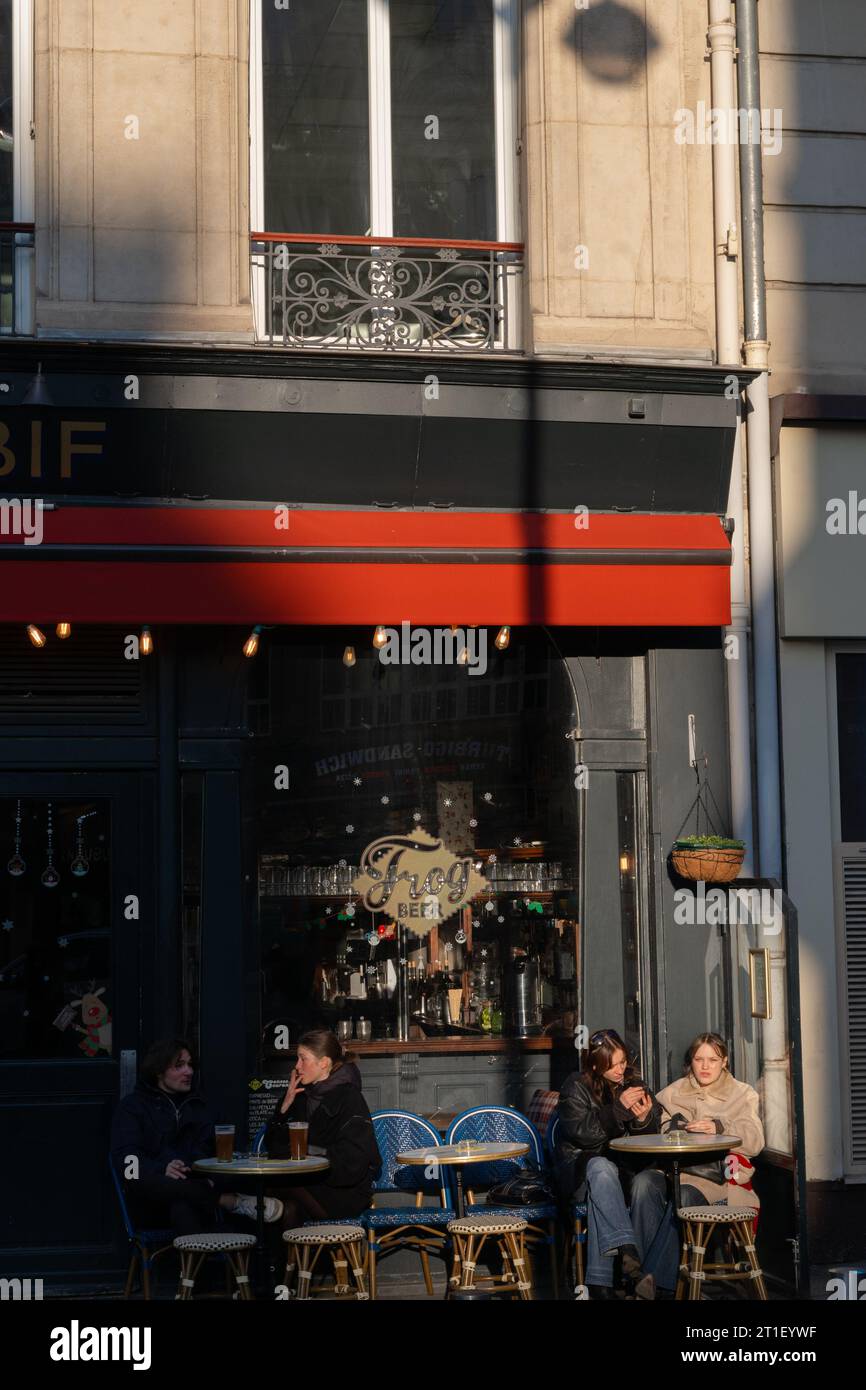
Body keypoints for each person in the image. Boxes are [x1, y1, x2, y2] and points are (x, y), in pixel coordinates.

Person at [629, 1032, 765, 1296]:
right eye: (698, 1059)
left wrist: (719, 1127)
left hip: (717, 1179)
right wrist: (666, 1125)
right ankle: (648, 1280)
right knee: (643, 1184)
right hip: (673, 1170)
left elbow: (756, 1141)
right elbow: (658, 1128)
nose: (705, 1066)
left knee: (687, 1196)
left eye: (712, 1060)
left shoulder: (742, 1094)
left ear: (724, 1061)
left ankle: (654, 1283)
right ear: (690, 1061)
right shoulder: (673, 1092)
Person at [110, 1038, 283, 1236]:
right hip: (152, 1199)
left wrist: (203, 1175)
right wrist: (162, 1168)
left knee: (183, 1206)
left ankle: (190, 1266)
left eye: (190, 1065)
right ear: (158, 1071)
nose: (189, 1072)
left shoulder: (202, 1106)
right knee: (165, 1188)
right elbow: (127, 1161)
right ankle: (230, 1201)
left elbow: (229, 1153)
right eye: (179, 1066)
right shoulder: (132, 1107)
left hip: (195, 1198)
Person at [553, 1028, 664, 1300]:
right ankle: (629, 1256)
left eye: (623, 1062)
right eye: (611, 1065)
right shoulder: (575, 1086)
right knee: (601, 1168)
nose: (619, 1070)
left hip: (623, 1172)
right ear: (594, 1064)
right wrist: (616, 1110)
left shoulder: (634, 1083)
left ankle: (600, 1285)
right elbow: (584, 1135)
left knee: (620, 1186)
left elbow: (651, 1136)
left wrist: (642, 1120)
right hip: (580, 1172)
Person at [264, 1029, 381, 1229]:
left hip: (342, 1192)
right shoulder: (299, 1096)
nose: (297, 1066)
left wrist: (309, 1152)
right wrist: (283, 1110)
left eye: (303, 1059)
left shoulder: (349, 1098)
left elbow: (354, 1162)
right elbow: (274, 1149)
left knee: (272, 1187)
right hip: (307, 1185)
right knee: (288, 1209)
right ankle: (290, 1261)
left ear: (324, 1063)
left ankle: (237, 1202)